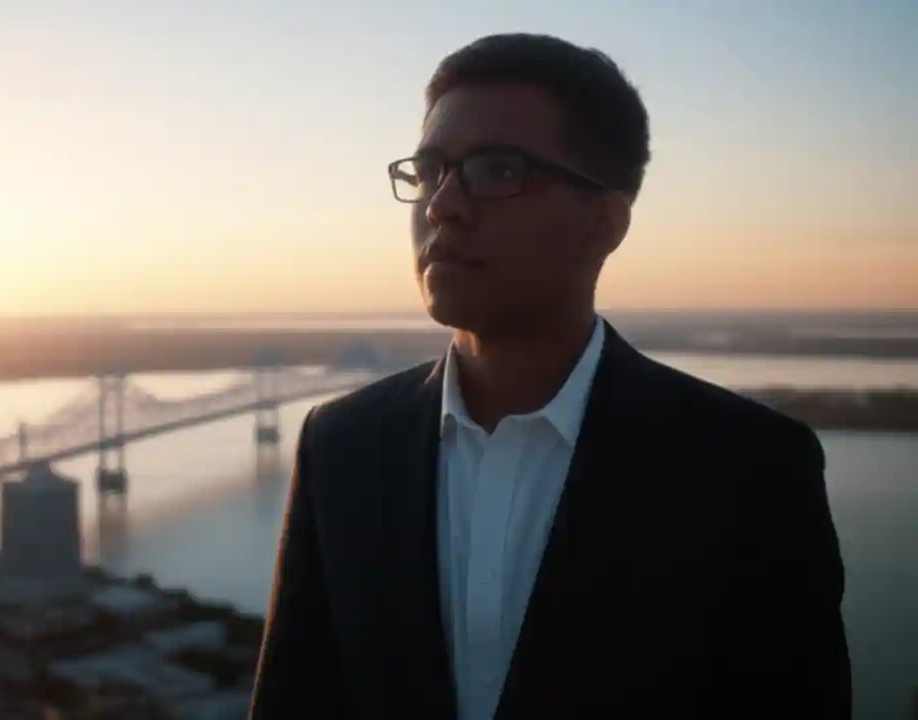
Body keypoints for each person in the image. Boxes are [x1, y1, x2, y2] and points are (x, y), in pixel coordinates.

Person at [249, 33, 851, 719]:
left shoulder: (749, 468)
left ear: (604, 222)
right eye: (429, 170)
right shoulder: (341, 444)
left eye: (496, 170)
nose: (442, 205)